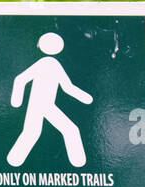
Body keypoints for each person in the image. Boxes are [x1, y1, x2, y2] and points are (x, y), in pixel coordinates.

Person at [7, 32, 93, 169]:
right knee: (65, 130)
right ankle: (13, 161)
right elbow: (20, 79)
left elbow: (67, 87)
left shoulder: (54, 64)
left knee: (37, 132)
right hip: (38, 105)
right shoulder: (45, 63)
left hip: (46, 105)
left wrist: (85, 98)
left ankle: (13, 161)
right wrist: (16, 101)